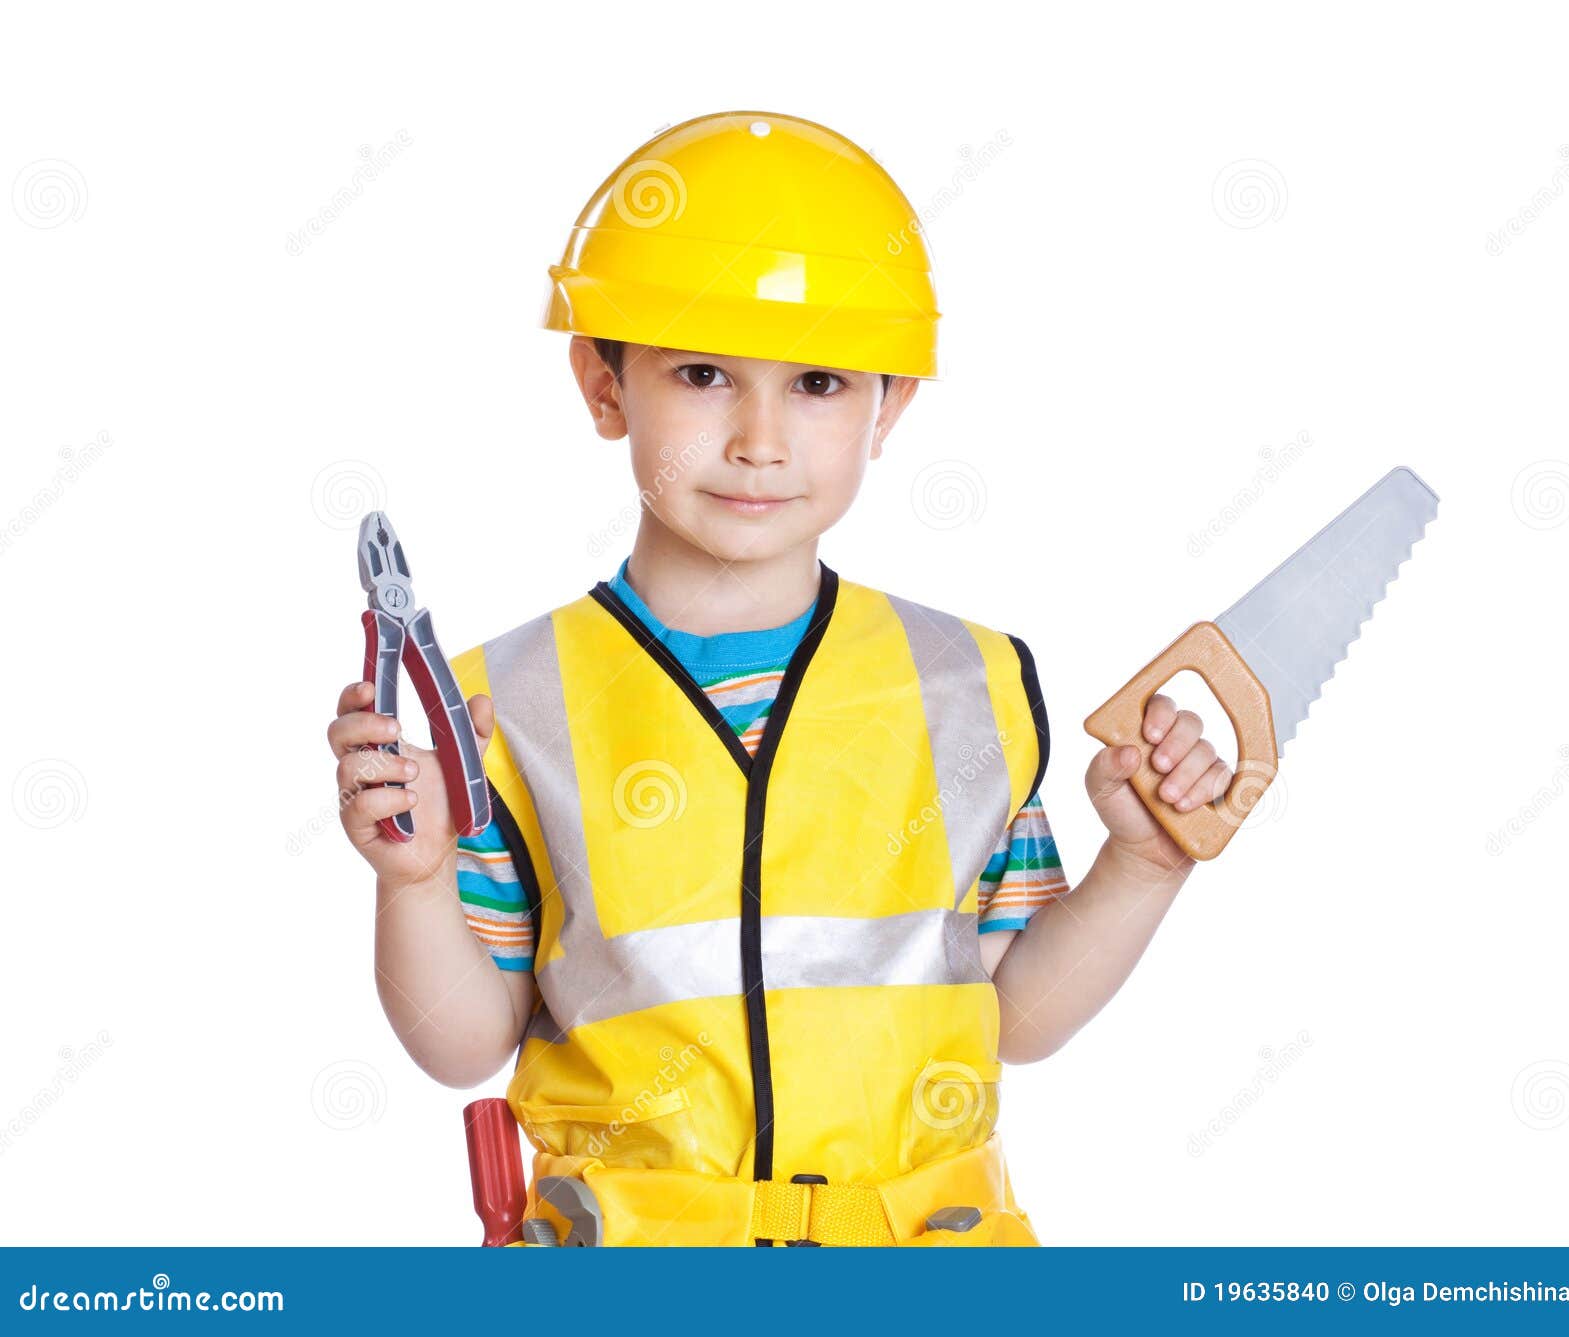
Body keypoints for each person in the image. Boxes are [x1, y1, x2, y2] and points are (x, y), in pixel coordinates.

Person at [325, 111, 1232, 1246]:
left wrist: (1142, 865)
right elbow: (464, 1040)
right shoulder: (505, 706)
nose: (759, 438)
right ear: (604, 387)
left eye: (817, 383)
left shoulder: (966, 685)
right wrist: (410, 885)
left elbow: (1015, 1013)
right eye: (703, 372)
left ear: (888, 406)